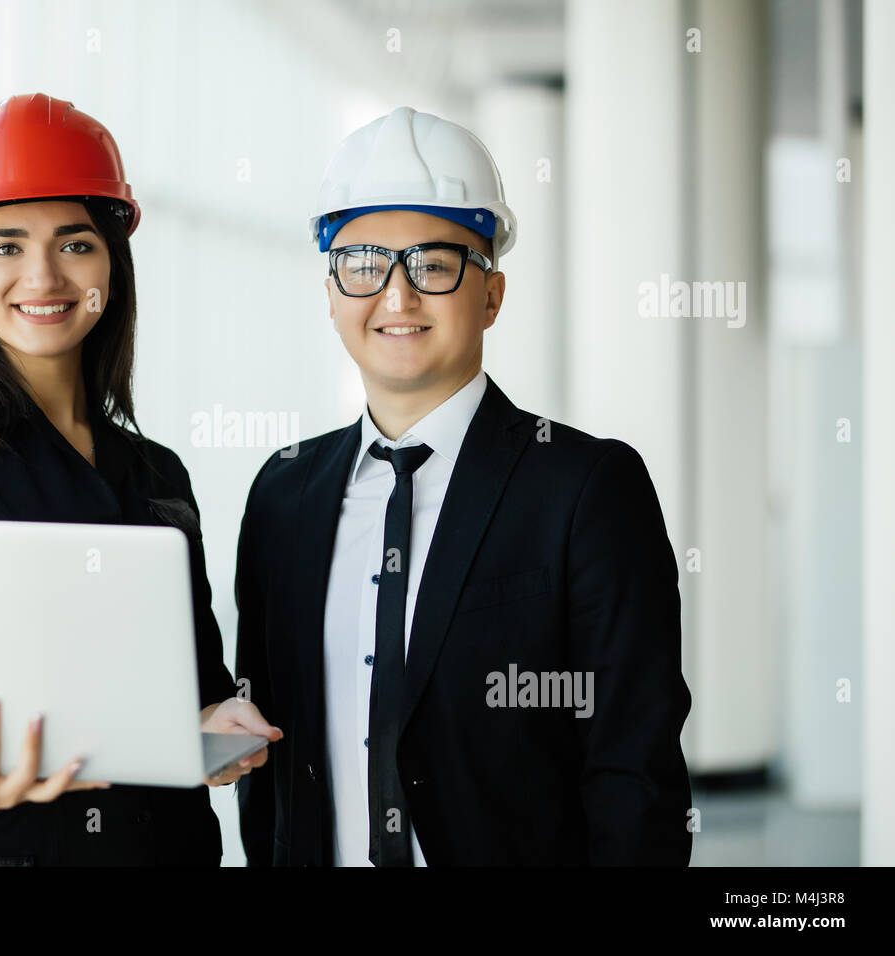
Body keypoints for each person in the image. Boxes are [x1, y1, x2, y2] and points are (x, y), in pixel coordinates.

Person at [234, 106, 693, 866]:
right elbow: (270, 759)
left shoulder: (584, 490)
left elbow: (633, 774)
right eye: (362, 263)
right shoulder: (283, 494)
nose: (397, 295)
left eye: (435, 263)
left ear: (492, 295)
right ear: (330, 294)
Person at [0, 93, 281, 866]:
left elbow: (197, 686)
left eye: (76, 244)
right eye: (7, 246)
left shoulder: (157, 473)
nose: (43, 276)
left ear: (112, 266)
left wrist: (225, 723)